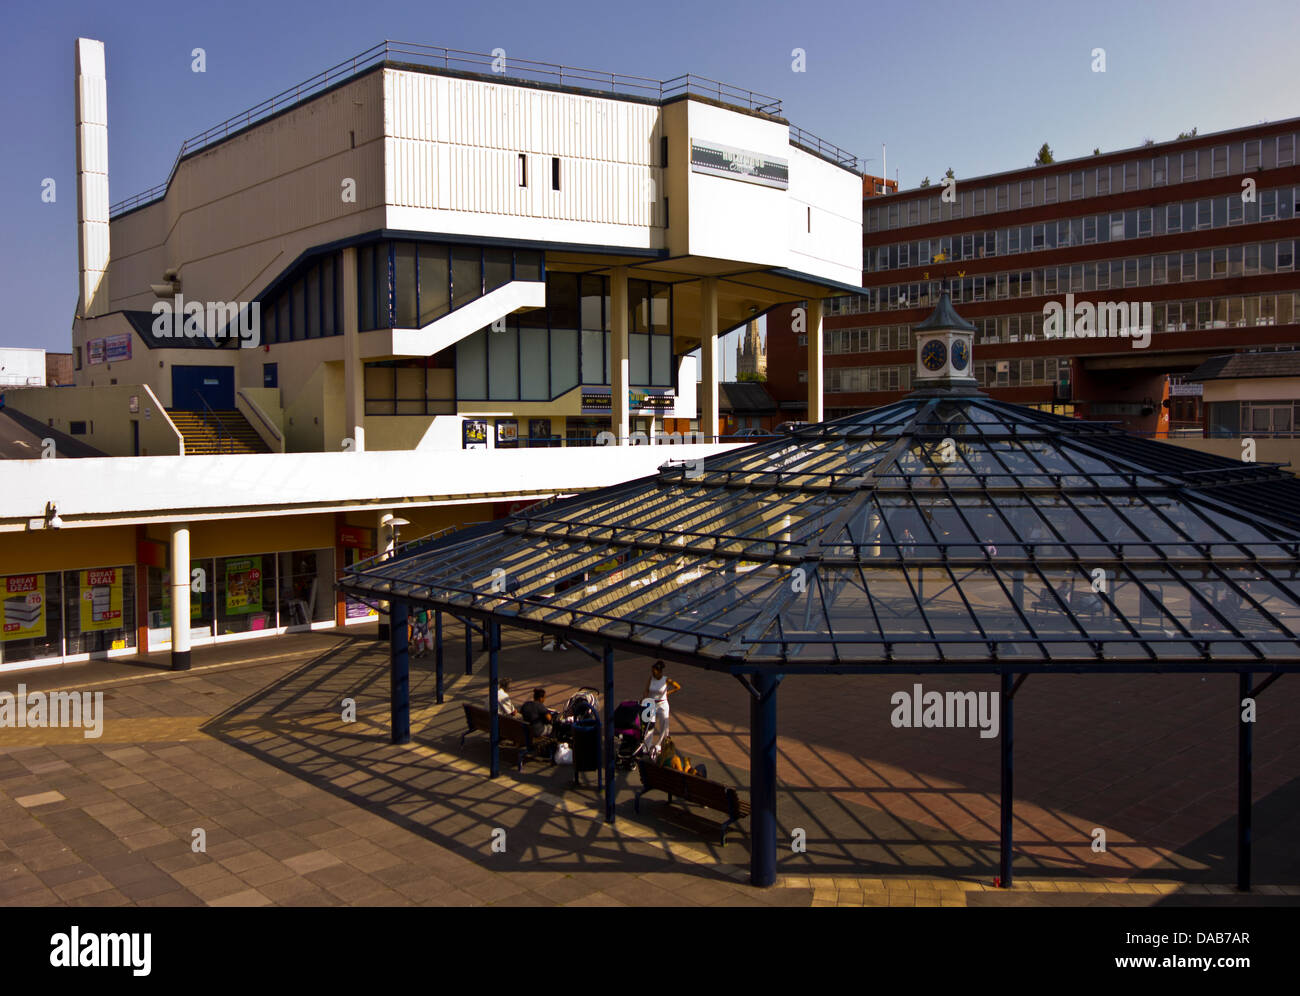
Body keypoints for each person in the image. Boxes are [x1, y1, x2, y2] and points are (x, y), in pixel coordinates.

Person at [643, 660, 679, 758]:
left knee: (664, 726)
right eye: (652, 671)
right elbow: (646, 690)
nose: (653, 673)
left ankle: (660, 746)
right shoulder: (651, 678)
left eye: (654, 671)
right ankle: (646, 746)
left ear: (659, 671)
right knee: (649, 725)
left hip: (662, 705)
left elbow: (677, 687)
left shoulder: (666, 679)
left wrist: (668, 693)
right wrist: (644, 700)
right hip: (652, 704)